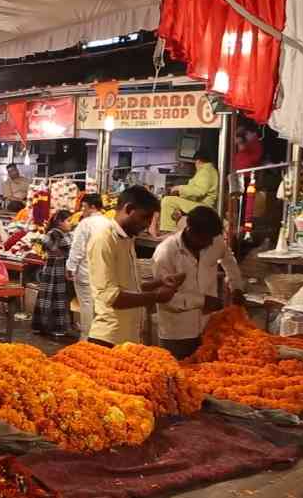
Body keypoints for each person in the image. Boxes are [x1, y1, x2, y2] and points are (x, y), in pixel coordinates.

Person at [87, 186, 181, 347]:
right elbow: (112, 296)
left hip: (128, 339)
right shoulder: (104, 239)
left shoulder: (127, 239)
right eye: (145, 217)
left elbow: (131, 287)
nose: (148, 224)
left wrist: (159, 282)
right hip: (108, 339)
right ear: (129, 209)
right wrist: (157, 297)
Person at [152, 206, 244, 359]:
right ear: (190, 230)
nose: (209, 242)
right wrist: (202, 301)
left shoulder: (214, 241)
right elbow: (164, 297)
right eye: (205, 239)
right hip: (177, 333)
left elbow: (229, 262)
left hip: (209, 327)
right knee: (179, 371)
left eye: (212, 238)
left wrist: (236, 287)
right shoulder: (166, 252)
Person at [65, 194, 112, 341]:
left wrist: (70, 267)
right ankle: (100, 337)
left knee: (86, 305)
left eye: (84, 207)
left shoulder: (85, 224)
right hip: (103, 273)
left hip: (85, 272)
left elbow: (77, 248)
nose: (82, 210)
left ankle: (86, 338)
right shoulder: (109, 223)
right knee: (100, 306)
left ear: (93, 207)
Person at [151, 149, 219, 235]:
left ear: (198, 161)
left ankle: (168, 232)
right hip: (201, 204)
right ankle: (168, 229)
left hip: (203, 206)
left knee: (168, 201)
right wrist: (181, 195)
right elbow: (197, 191)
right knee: (173, 202)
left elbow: (200, 191)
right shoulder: (209, 170)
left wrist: (179, 188)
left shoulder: (205, 171)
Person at [32, 210, 73, 336]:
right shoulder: (54, 233)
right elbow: (65, 249)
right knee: (52, 297)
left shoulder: (66, 234)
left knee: (57, 298)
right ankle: (50, 327)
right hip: (54, 270)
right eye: (68, 221)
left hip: (59, 269)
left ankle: (54, 326)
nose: (70, 223)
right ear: (60, 222)